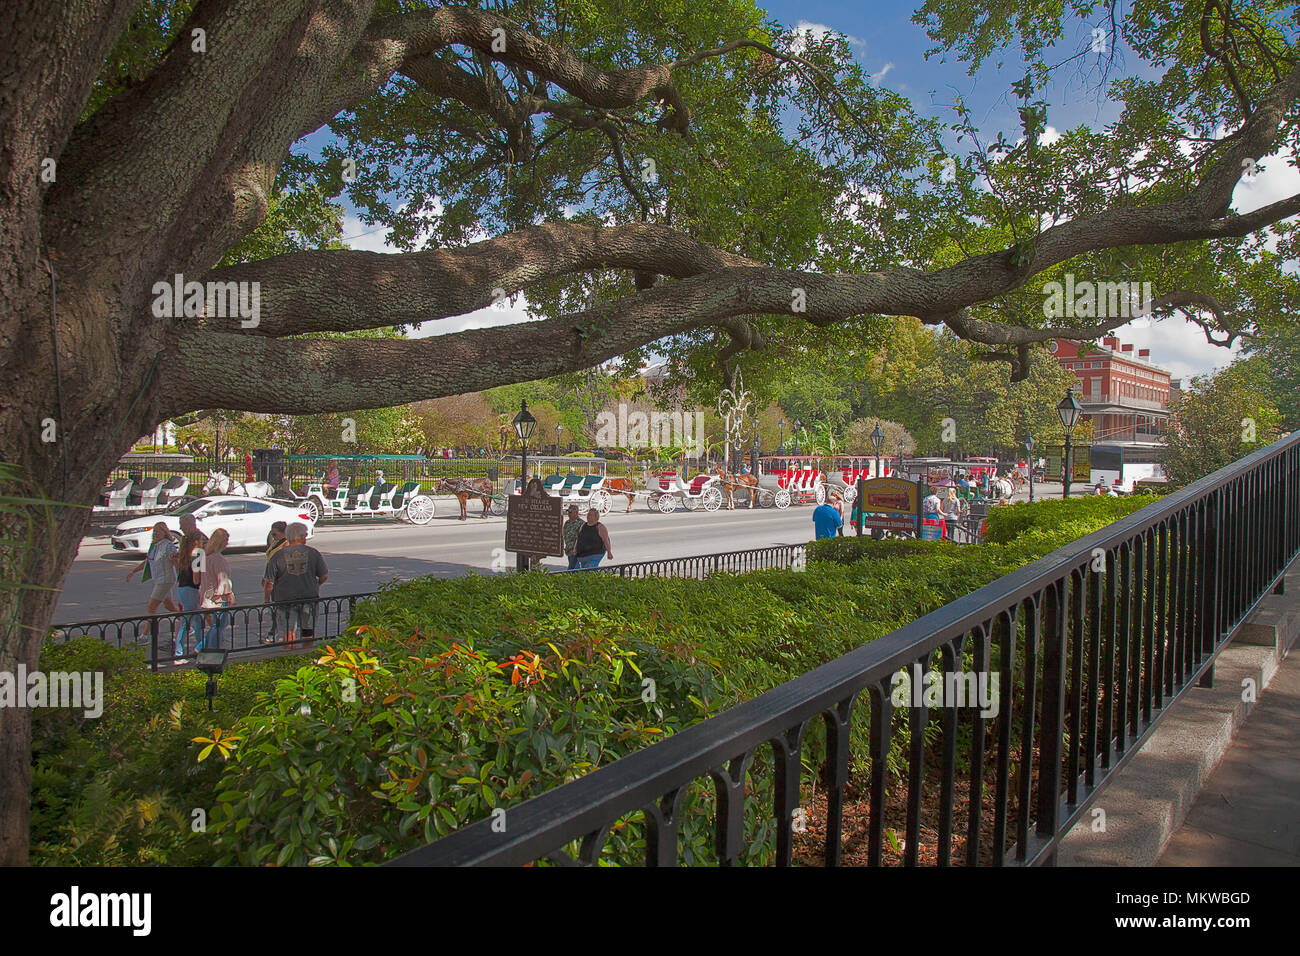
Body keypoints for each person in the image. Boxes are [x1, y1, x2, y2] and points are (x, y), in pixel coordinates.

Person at [266, 522, 328, 647]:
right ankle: (305, 655)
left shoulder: (278, 555)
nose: (306, 538)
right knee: (307, 632)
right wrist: (315, 584)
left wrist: (266, 599)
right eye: (304, 535)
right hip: (309, 598)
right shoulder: (313, 553)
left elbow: (269, 582)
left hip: (286, 600)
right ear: (299, 536)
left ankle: (289, 656)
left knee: (288, 633)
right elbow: (324, 576)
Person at [124, 522, 181, 616]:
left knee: (151, 607)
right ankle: (186, 624)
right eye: (154, 532)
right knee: (169, 606)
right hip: (159, 579)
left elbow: (176, 563)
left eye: (158, 531)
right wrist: (133, 572)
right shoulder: (155, 545)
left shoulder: (168, 546)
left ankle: (146, 631)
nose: (155, 534)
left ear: (165, 532)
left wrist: (181, 574)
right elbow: (148, 561)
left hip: (165, 580)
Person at [198, 528, 235, 651]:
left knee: (216, 625)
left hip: (207, 595)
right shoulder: (218, 559)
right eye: (226, 540)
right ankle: (210, 649)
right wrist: (230, 596)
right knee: (219, 625)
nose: (227, 543)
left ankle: (205, 647)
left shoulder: (206, 557)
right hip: (219, 597)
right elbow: (223, 579)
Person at [173, 530, 205, 662]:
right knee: (187, 622)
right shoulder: (198, 553)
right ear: (197, 541)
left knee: (196, 621)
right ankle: (179, 653)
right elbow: (196, 578)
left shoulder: (184, 553)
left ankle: (200, 647)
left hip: (182, 588)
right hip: (192, 589)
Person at [260, 521, 289, 644]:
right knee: (277, 609)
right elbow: (269, 560)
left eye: (275, 534)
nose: (273, 536)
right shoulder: (275, 542)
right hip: (271, 576)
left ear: (283, 533)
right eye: (272, 534)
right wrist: (265, 576)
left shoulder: (286, 545)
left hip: (279, 580)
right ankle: (275, 633)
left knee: (279, 609)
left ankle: (275, 635)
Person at [562, 504, 585, 570]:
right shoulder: (567, 523)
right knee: (572, 566)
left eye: (570, 512)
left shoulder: (581, 523)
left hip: (576, 551)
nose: (569, 514)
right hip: (569, 549)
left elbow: (582, 538)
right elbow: (564, 534)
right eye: (568, 512)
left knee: (572, 568)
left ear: (576, 513)